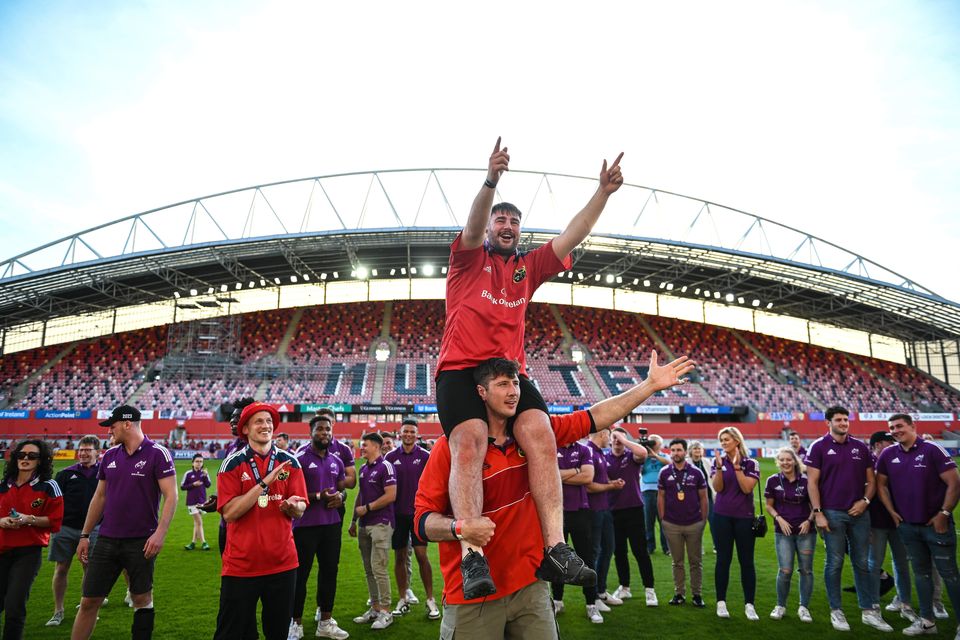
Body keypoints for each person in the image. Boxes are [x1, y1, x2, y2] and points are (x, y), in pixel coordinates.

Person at [435, 137, 623, 598]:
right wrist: (491, 180)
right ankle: (473, 555)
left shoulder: (528, 268)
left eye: (514, 221)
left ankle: (556, 547)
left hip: (509, 373)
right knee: (471, 440)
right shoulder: (467, 258)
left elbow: (572, 233)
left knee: (540, 432)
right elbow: (474, 224)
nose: (507, 225)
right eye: (502, 217)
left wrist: (602, 193)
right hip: (461, 370)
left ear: (520, 231)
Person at [415, 353, 693, 638]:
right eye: (502, 385)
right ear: (481, 392)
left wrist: (648, 385)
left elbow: (595, 416)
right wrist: (460, 528)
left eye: (515, 383)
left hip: (530, 586)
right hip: (473, 595)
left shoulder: (535, 435)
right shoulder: (451, 448)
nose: (513, 392)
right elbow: (422, 522)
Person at [71, 405, 178, 640]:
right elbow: (99, 497)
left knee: (141, 599)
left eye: (113, 425)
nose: (110, 429)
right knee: (89, 600)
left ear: (127, 424)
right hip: (107, 540)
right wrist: (85, 535)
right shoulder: (109, 455)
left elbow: (172, 495)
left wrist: (160, 533)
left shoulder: (158, 453)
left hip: (141, 541)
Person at [214, 401, 308, 640]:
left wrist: (294, 507)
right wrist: (265, 482)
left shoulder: (290, 462)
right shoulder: (232, 464)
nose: (265, 426)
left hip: (283, 564)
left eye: (269, 421)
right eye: (259, 421)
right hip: (241, 566)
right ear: (245, 429)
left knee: (277, 632)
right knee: (231, 633)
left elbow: (301, 506)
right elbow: (230, 513)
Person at [805, 406, 892, 632]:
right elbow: (812, 483)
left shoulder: (860, 447)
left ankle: (869, 611)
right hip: (832, 513)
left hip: (860, 513)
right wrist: (818, 512)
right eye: (839, 420)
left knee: (863, 563)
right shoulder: (818, 447)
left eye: (846, 419)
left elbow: (871, 481)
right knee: (834, 562)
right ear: (828, 423)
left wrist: (865, 501)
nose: (844, 423)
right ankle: (837, 610)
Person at [876, 413, 960, 637]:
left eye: (899, 426)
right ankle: (927, 622)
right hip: (908, 527)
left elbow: (954, 482)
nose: (895, 430)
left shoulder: (932, 449)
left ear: (913, 426)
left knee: (950, 574)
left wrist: (944, 513)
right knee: (920, 574)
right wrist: (892, 511)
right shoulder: (888, 454)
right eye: (892, 427)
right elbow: (881, 484)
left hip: (937, 525)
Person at [288, 414, 349, 640]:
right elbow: (289, 491)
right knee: (300, 575)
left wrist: (341, 497)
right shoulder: (299, 458)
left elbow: (343, 489)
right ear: (311, 432)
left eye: (328, 429)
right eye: (320, 429)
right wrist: (316, 496)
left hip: (331, 525)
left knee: (329, 573)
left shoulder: (336, 461)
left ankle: (325, 621)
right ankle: (295, 623)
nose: (325, 433)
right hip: (305, 526)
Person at [0, 440, 64, 640]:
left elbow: (55, 521)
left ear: (41, 460)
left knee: (14, 605)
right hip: (1, 551)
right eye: (21, 454)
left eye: (32, 456)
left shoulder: (49, 486)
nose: (25, 459)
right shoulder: (3, 485)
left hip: (27, 553)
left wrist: (30, 519)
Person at [384, 419, 439, 620]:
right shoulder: (390, 457)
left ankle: (430, 599)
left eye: (412, 432)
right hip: (397, 515)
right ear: (400, 434)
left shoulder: (425, 456)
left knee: (421, 556)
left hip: (418, 515)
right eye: (405, 431)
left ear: (417, 435)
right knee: (399, 557)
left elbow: (435, 483)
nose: (408, 434)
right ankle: (402, 598)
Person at [46, 435, 100, 627]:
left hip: (94, 530)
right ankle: (58, 611)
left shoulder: (105, 474)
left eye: (88, 450)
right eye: (82, 449)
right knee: (61, 569)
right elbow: (52, 503)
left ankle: (87, 608)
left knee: (90, 569)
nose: (83, 453)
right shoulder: (65, 474)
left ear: (97, 452)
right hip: (66, 529)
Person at [711, 426, 760, 621]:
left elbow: (747, 488)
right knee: (723, 560)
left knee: (746, 562)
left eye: (726, 439)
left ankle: (749, 604)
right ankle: (721, 602)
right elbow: (718, 487)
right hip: (722, 516)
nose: (723, 443)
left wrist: (737, 466)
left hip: (744, 518)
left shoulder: (751, 463)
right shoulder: (720, 462)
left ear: (737, 441)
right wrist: (720, 468)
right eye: (721, 440)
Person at [349, 433, 397, 630]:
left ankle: (386, 612)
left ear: (376, 446)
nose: (363, 448)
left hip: (381, 523)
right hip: (364, 524)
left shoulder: (386, 466)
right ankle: (375, 608)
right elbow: (360, 494)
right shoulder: (363, 469)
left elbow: (391, 495)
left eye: (365, 445)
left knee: (379, 568)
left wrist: (367, 509)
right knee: (369, 569)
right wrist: (353, 520)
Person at [867, 431, 916, 622]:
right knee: (874, 564)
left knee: (902, 564)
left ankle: (905, 604)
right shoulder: (867, 463)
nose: (895, 444)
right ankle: (873, 605)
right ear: (879, 444)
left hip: (899, 521)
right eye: (890, 442)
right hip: (877, 523)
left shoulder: (897, 460)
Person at [608, 428, 658, 606]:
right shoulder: (606, 458)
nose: (617, 441)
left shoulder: (631, 456)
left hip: (634, 509)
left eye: (620, 438)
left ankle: (649, 589)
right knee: (619, 552)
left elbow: (642, 452)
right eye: (614, 438)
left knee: (640, 551)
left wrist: (623, 437)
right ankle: (625, 587)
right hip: (613, 511)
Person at [764, 446, 815, 623]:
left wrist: (809, 521)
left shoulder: (807, 481)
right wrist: (779, 518)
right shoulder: (772, 480)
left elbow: (815, 505)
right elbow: (769, 505)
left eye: (788, 459)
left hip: (805, 532)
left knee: (806, 570)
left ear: (794, 460)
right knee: (785, 570)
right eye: (782, 460)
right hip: (783, 532)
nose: (785, 462)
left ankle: (804, 607)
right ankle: (780, 605)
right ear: (778, 462)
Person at [551, 439, 600, 622]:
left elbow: (588, 477)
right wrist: (576, 470)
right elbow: (548, 474)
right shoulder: (551, 447)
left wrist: (560, 474)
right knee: (556, 558)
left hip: (580, 511)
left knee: (587, 559)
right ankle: (557, 601)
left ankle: (591, 605)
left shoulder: (584, 450)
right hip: (555, 512)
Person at [658, 438, 708, 608]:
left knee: (695, 562)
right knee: (677, 562)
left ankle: (697, 594)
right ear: (669, 452)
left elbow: (703, 497)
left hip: (694, 523)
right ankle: (679, 593)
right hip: (671, 524)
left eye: (679, 450)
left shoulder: (696, 472)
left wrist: (703, 520)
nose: (676, 453)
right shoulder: (664, 472)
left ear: (685, 452)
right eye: (673, 450)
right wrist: (663, 519)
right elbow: (661, 497)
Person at [585, 427, 624, 611]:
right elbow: (589, 486)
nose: (610, 439)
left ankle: (601, 591)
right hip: (593, 510)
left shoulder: (599, 452)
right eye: (609, 435)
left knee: (608, 548)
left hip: (604, 508)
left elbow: (600, 481)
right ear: (602, 434)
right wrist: (611, 487)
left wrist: (611, 483)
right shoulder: (589, 452)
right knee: (594, 552)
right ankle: (593, 597)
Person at [640, 434, 669, 554]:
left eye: (655, 442)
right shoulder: (643, 456)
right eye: (651, 442)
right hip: (647, 490)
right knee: (648, 521)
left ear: (660, 444)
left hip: (662, 491)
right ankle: (649, 547)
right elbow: (640, 470)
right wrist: (645, 456)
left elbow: (669, 464)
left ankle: (666, 547)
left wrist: (655, 456)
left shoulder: (664, 455)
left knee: (663, 520)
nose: (653, 444)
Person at [688, 441, 717, 552]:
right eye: (695, 449)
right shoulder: (687, 463)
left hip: (708, 497)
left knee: (714, 522)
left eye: (699, 449)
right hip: (693, 499)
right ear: (690, 451)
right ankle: (698, 547)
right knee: (696, 524)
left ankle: (716, 545)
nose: (697, 451)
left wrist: (715, 493)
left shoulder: (706, 462)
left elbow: (712, 478)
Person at [180, 453, 211, 551]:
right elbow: (182, 487)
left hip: (202, 501)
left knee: (196, 523)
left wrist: (205, 476)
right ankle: (204, 542)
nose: (199, 463)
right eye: (197, 461)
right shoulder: (188, 473)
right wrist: (193, 484)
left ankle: (193, 543)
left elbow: (208, 485)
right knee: (199, 522)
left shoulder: (204, 473)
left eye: (201, 461)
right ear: (192, 463)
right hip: (192, 502)